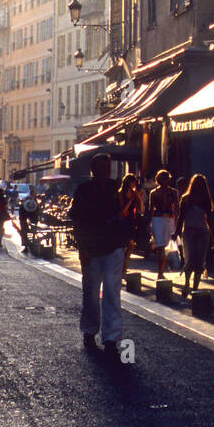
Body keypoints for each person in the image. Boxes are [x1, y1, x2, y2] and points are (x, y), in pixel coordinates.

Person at [68, 153, 125, 359]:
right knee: (91, 293)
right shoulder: (84, 190)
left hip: (113, 246)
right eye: (101, 167)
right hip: (91, 247)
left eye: (107, 166)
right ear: (93, 170)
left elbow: (121, 216)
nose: (105, 170)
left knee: (112, 292)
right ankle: (90, 329)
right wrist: (82, 249)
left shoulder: (115, 189)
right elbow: (77, 220)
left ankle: (111, 338)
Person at [176, 174, 214, 298]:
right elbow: (181, 217)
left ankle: (194, 287)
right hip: (192, 231)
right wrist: (176, 232)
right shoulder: (187, 199)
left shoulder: (204, 200)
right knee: (191, 260)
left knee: (198, 261)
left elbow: (209, 219)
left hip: (199, 231)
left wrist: (211, 234)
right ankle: (188, 284)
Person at [147, 170, 179, 279]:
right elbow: (151, 209)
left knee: (165, 246)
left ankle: (162, 270)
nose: (167, 181)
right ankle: (160, 271)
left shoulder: (173, 192)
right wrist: (149, 223)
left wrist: (176, 221)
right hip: (158, 219)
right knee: (161, 246)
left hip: (169, 219)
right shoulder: (154, 193)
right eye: (165, 178)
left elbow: (177, 208)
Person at [118, 173, 143, 277]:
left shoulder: (134, 194)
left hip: (131, 221)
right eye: (133, 182)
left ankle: (124, 267)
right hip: (123, 222)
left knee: (131, 246)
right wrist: (131, 200)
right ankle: (122, 267)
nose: (134, 184)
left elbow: (141, 209)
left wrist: (139, 198)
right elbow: (123, 211)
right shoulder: (121, 194)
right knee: (125, 245)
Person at [18, 186, 40, 252]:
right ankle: (26, 245)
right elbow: (21, 215)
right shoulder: (26, 201)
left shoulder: (35, 202)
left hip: (32, 216)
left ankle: (31, 242)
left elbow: (37, 212)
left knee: (32, 229)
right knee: (24, 231)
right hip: (24, 215)